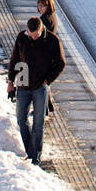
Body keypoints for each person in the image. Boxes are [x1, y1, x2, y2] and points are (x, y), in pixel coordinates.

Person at [7, 16, 65, 167]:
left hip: (40, 86)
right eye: (30, 34)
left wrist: (47, 80)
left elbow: (60, 63)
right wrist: (10, 81)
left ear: (41, 29)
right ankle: (30, 151)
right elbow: (14, 59)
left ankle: (35, 158)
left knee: (38, 124)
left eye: (36, 35)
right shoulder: (22, 37)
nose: (32, 38)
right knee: (21, 119)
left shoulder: (53, 41)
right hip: (23, 83)